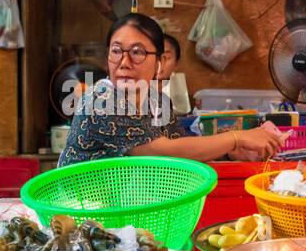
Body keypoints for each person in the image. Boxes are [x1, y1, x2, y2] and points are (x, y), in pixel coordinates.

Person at [57, 14, 287, 167]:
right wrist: (236, 138)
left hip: (126, 212)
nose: (124, 62)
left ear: (158, 62)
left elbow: (182, 152)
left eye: (137, 52)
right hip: (82, 215)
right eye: (116, 51)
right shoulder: (102, 99)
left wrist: (230, 153)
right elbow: (161, 152)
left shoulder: (159, 103)